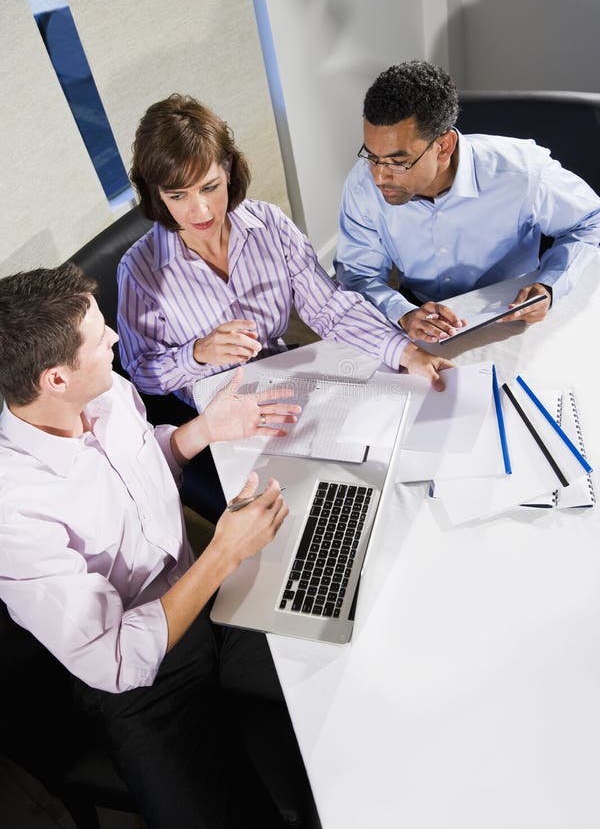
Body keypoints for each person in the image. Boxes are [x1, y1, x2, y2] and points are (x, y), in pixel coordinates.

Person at [0, 263, 318, 829]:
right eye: (101, 339)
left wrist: (204, 430)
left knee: (345, 680)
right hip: (140, 679)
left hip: (215, 603)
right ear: (55, 379)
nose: (116, 340)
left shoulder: (107, 394)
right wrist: (224, 551)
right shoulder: (14, 508)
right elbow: (113, 658)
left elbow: (143, 465)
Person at [116, 94, 453, 411]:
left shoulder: (269, 225)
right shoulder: (139, 270)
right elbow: (142, 372)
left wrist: (408, 353)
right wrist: (198, 353)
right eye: (179, 196)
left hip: (285, 380)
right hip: (220, 413)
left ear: (228, 170)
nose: (201, 211)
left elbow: (330, 308)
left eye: (209, 187)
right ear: (157, 194)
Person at [335, 60, 600, 344]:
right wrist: (402, 312)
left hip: (513, 314)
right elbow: (358, 272)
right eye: (372, 156)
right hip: (419, 315)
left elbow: (591, 220)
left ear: (444, 146)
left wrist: (550, 285)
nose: (378, 177)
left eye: (398, 161)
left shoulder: (522, 173)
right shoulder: (362, 184)